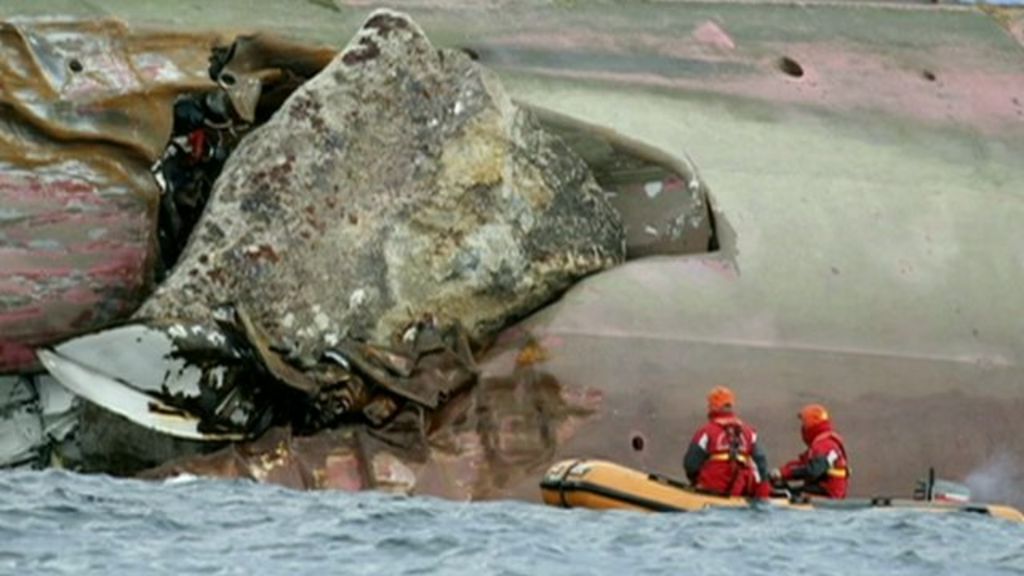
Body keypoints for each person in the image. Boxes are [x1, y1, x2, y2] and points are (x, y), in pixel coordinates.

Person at [683, 386, 770, 498]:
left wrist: (695, 483)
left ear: (713, 407)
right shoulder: (750, 433)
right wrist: (762, 495)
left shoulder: (706, 432)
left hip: (710, 491)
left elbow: (691, 464)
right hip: (740, 492)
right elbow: (761, 462)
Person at [770, 403, 849, 499]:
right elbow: (804, 464)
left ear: (810, 424)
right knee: (784, 489)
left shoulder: (825, 445)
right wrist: (781, 472)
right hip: (825, 491)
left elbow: (814, 470)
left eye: (804, 423)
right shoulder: (824, 443)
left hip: (827, 494)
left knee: (783, 494)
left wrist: (784, 473)